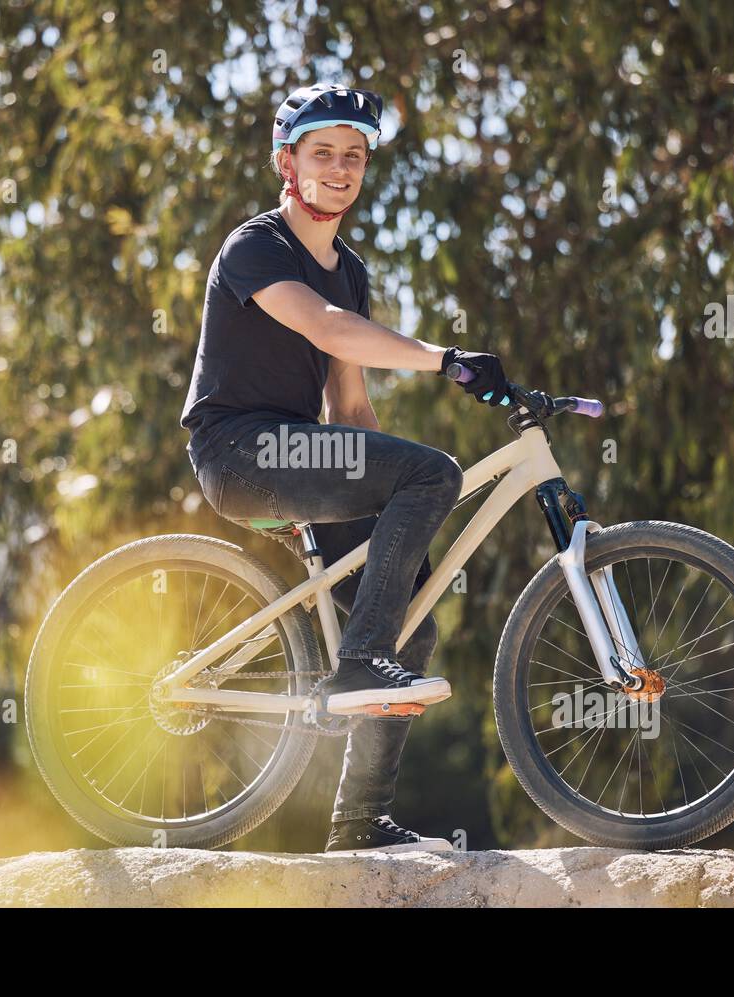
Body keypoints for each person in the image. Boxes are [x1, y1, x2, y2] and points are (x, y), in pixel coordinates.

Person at [179, 82, 511, 853]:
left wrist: (386, 492)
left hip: (306, 452)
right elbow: (326, 326)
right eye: (322, 152)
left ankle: (359, 821)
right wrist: (444, 361)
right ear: (286, 161)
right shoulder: (255, 246)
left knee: (413, 610)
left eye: (354, 156)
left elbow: (351, 411)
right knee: (435, 473)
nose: (340, 168)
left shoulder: (349, 269)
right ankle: (357, 663)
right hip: (240, 450)